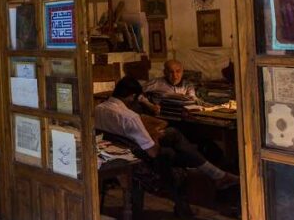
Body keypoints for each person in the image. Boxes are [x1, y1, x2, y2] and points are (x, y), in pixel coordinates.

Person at [95, 77, 238, 209]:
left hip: (118, 150)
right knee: (179, 152)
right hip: (138, 158)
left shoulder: (98, 109)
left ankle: (218, 175)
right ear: (132, 96)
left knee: (173, 134)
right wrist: (155, 136)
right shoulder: (129, 117)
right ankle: (215, 177)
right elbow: (153, 152)